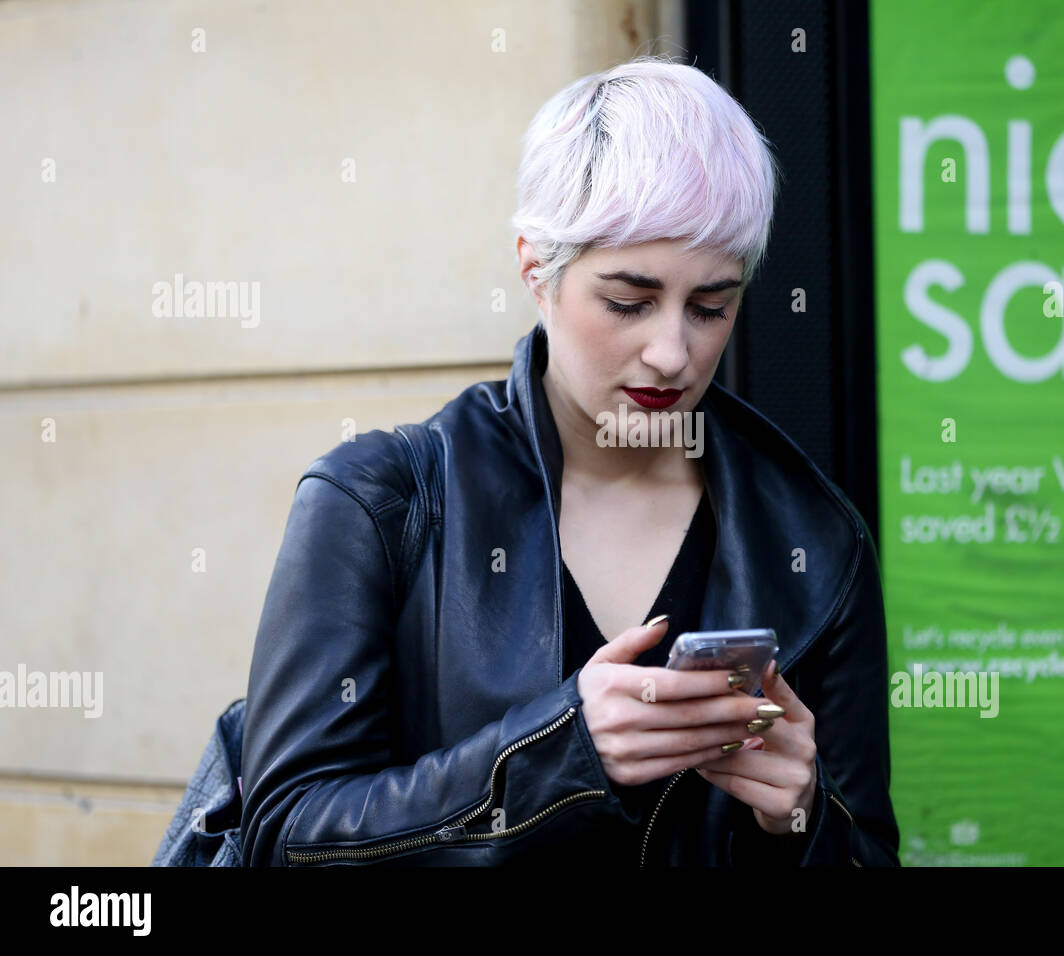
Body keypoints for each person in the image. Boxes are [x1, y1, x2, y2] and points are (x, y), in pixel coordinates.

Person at [239, 54, 899, 866]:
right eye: (628, 301)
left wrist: (801, 818)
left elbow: (867, 852)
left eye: (711, 305)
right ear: (536, 271)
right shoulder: (379, 503)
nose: (672, 352)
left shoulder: (815, 539)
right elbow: (284, 837)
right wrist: (561, 751)